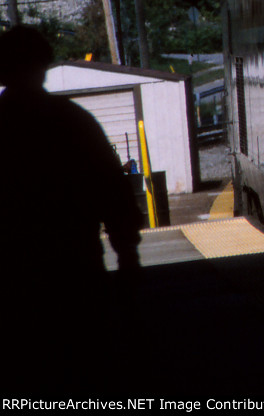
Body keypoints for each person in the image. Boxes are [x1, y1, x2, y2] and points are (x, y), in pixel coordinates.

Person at [0, 24, 142, 393]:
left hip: (14, 282)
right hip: (77, 267)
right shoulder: (72, 120)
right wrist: (126, 252)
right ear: (44, 66)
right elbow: (112, 189)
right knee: (89, 367)